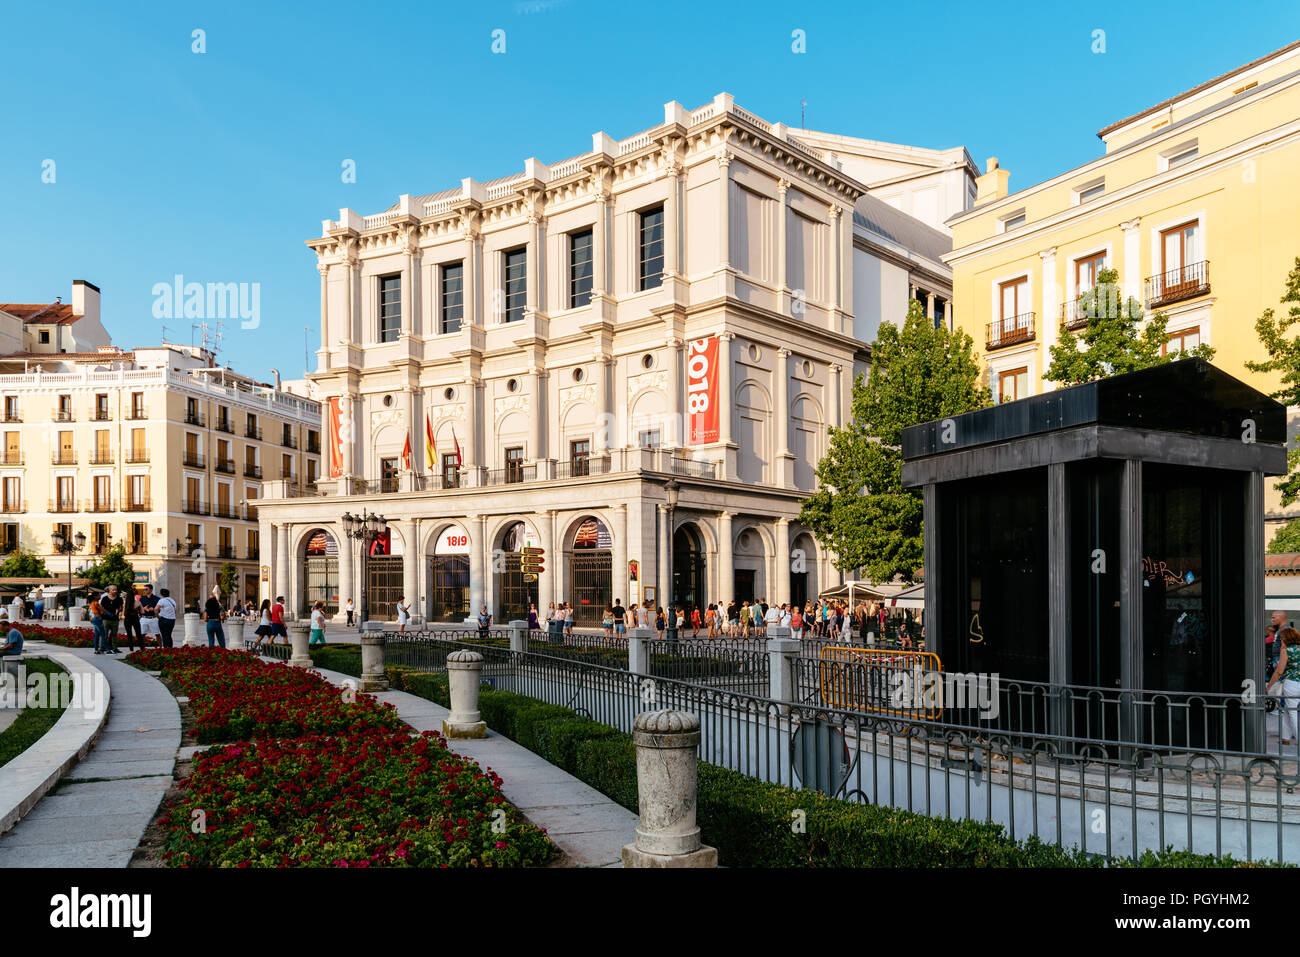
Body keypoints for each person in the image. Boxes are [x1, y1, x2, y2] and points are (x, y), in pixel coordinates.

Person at [1268, 626, 1300, 746]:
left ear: (1286, 639)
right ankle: (1285, 738)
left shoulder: (1286, 651)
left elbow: (1279, 671)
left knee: (1292, 712)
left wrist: (1269, 686)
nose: (1281, 641)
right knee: (1287, 710)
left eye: (1281, 639)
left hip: (1292, 684)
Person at [98, 585, 123, 654]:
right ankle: (102, 648)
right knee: (104, 634)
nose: (115, 591)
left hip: (115, 619)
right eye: (113, 590)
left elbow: (121, 607)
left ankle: (115, 648)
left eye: (116, 590)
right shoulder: (105, 598)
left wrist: (119, 611)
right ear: (109, 591)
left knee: (114, 634)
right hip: (105, 619)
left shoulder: (119, 599)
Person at [122, 587, 143, 652]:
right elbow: (142, 612)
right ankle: (142, 648)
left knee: (129, 634)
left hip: (127, 619)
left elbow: (123, 614)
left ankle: (131, 650)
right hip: (135, 618)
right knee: (138, 634)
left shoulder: (126, 603)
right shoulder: (138, 602)